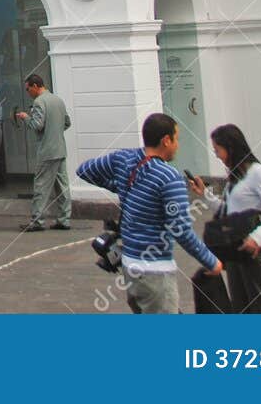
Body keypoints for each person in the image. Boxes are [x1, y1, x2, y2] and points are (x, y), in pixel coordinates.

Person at [77, 112, 222, 314]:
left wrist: (119, 186)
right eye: (176, 139)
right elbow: (181, 230)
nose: (177, 145)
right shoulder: (170, 177)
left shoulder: (124, 159)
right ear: (166, 140)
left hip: (130, 266)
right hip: (156, 272)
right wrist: (211, 261)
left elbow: (84, 170)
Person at [189, 124, 261, 313]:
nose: (216, 154)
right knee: (240, 309)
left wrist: (256, 238)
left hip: (256, 253)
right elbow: (229, 212)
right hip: (235, 252)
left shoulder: (258, 173)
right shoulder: (235, 177)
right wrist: (205, 195)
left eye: (218, 149)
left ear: (231, 148)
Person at [15, 74, 71, 232]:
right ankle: (64, 219)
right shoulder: (58, 100)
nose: (28, 92)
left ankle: (37, 221)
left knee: (41, 186)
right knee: (62, 187)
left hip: (47, 151)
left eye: (28, 89)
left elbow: (37, 126)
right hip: (60, 148)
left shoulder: (39, 102)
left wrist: (26, 118)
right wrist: (55, 132)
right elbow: (67, 122)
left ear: (35, 86)